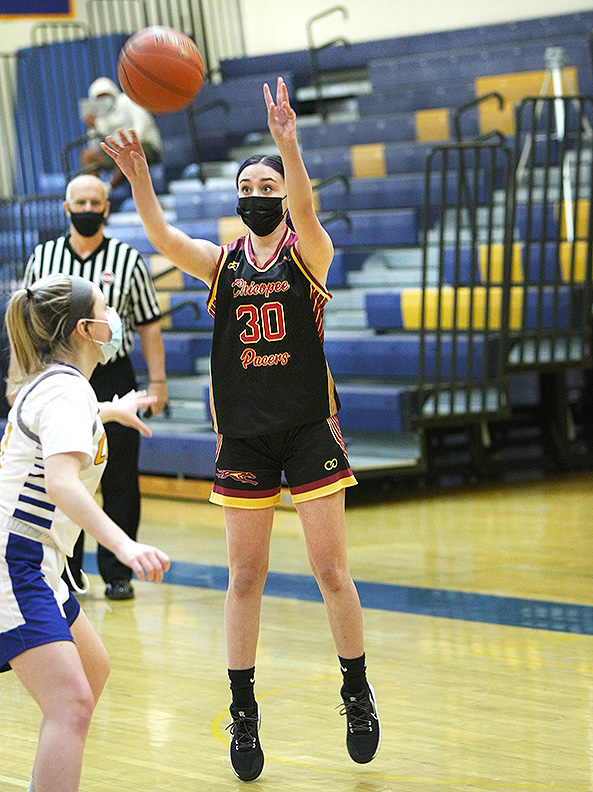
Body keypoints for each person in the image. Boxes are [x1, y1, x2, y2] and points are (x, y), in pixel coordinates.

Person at [101, 76, 381, 781]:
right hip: (246, 439)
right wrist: (138, 178)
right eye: (247, 183)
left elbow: (310, 215)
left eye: (268, 183)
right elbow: (162, 235)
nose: (256, 191)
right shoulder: (221, 264)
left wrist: (286, 142)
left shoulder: (306, 252)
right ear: (237, 199)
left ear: (282, 195)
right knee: (244, 578)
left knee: (330, 571)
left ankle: (355, 690)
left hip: (309, 431)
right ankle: (244, 712)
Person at [0, 273, 171, 792]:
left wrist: (108, 410)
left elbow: (53, 421)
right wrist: (123, 544)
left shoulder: (62, 387)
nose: (113, 317)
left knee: (90, 673)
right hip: (15, 563)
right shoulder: (64, 389)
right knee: (70, 702)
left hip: (38, 563)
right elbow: (61, 483)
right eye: (105, 308)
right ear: (86, 328)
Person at [16, 174, 168, 601]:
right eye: (78, 202)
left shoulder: (127, 258)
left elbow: (149, 324)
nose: (86, 208)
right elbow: (26, 322)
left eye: (94, 201)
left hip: (113, 372)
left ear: (105, 207)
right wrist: (20, 377)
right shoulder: (42, 256)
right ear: (66, 209)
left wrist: (157, 381)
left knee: (118, 475)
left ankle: (118, 571)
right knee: (68, 474)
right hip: (57, 371)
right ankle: (68, 572)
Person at [80, 77, 162, 193]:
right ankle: (94, 191)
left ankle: (108, 189)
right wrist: (92, 127)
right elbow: (95, 147)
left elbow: (141, 128)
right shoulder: (99, 115)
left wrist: (125, 146)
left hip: (144, 147)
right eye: (99, 99)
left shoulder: (128, 101)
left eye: (106, 96)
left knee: (128, 152)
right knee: (87, 155)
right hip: (116, 152)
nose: (103, 100)